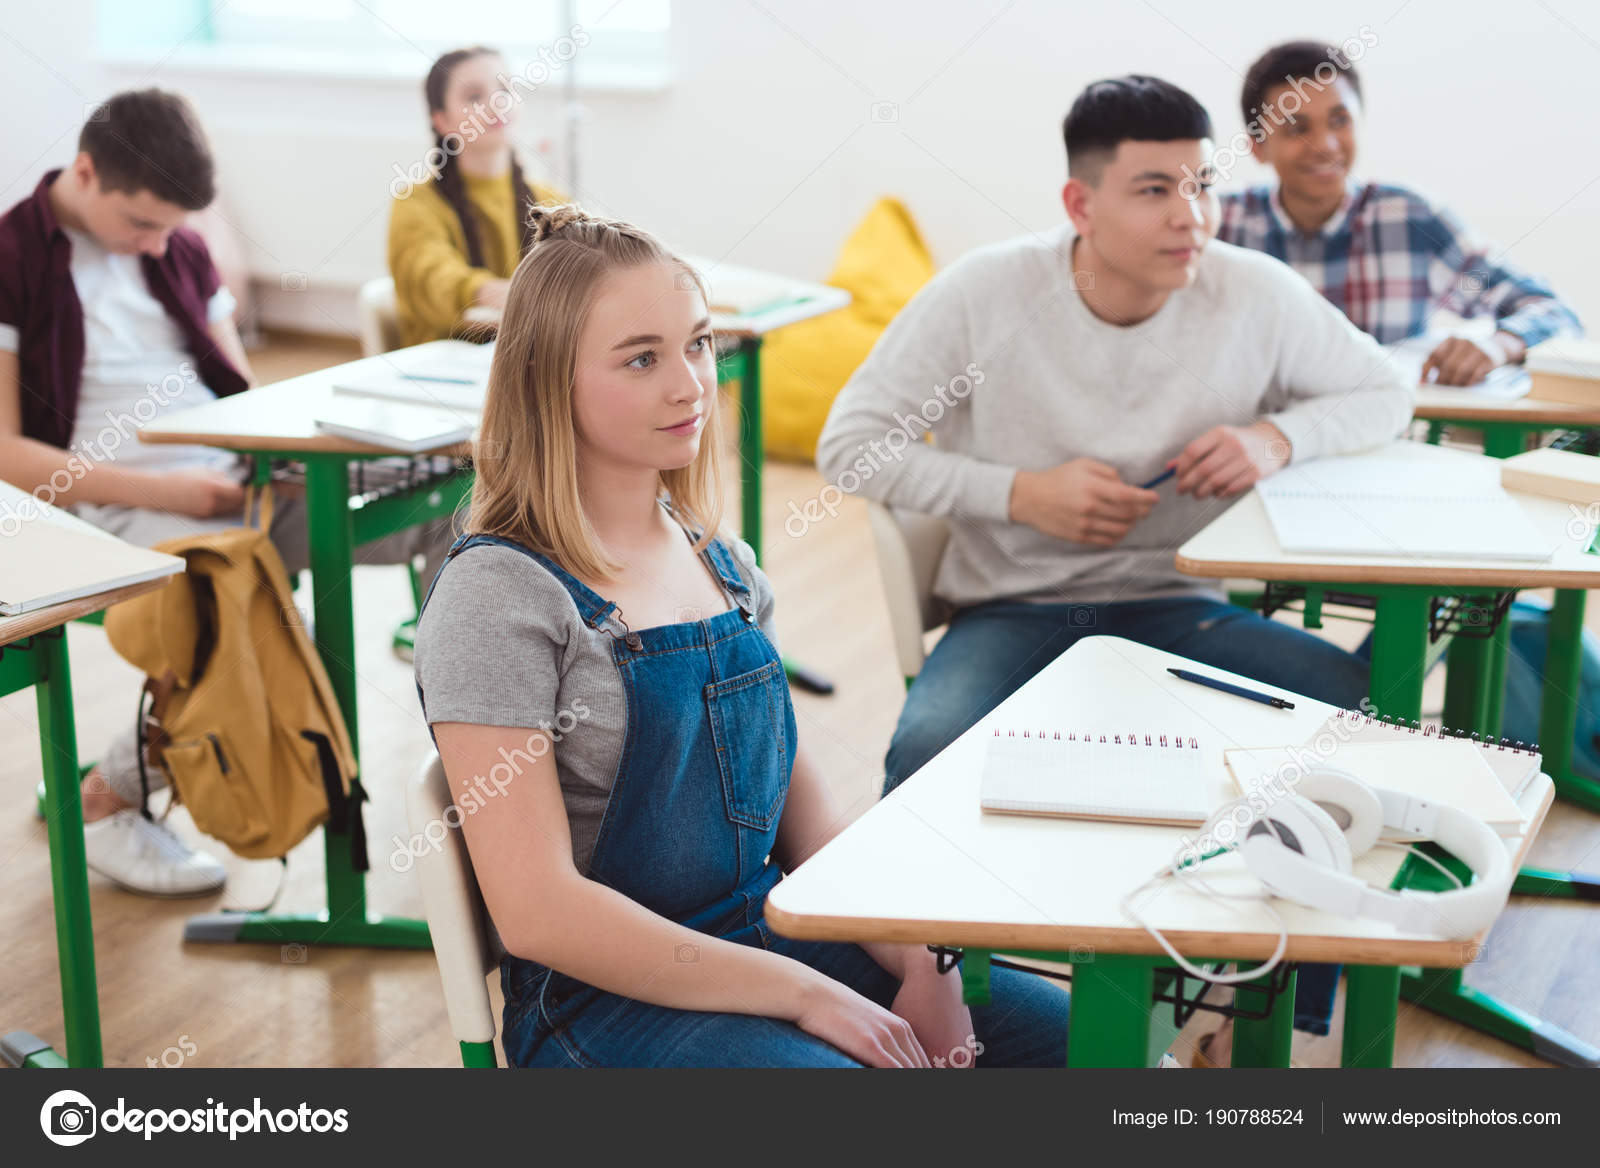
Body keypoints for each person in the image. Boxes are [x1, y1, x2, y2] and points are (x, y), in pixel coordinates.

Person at [816, 75, 1413, 1043]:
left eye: (1203, 185)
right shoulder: (986, 291)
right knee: (927, 754)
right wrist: (1019, 492)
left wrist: (1275, 438)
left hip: (1178, 605)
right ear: (1078, 204)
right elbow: (855, 445)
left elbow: (1383, 394)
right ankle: (931, 1002)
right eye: (1154, 190)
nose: (1192, 216)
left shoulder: (1249, 290)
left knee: (1362, 727)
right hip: (1013, 612)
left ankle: (1257, 1002)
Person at [413, 204, 1073, 1068]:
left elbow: (812, 829)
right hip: (604, 1006)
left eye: (695, 344)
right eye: (641, 358)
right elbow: (540, 913)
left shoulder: (720, 561)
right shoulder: (495, 597)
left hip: (772, 934)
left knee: (1075, 1046)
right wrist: (810, 996)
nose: (690, 384)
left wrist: (924, 962)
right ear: (547, 381)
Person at [0, 90, 453, 897]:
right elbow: (8, 453)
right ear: (85, 171)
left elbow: (234, 387)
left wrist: (273, 449)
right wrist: (177, 494)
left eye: (170, 226)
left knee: (457, 499)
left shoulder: (175, 249)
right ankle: (105, 801)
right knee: (254, 619)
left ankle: (482, 762)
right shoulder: (12, 257)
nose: (158, 241)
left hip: (238, 478)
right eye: (142, 223)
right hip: (119, 504)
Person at [1216, 40, 1581, 384]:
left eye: (1340, 121)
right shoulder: (1219, 223)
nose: (1326, 145)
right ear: (1258, 147)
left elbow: (1551, 311)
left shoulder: (1411, 221)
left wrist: (1497, 345)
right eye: (1297, 128)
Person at [387, 46, 563, 348]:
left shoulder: (549, 199)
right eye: (473, 97)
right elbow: (433, 280)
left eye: (505, 88)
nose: (496, 103)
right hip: (445, 370)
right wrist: (505, 296)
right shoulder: (416, 204)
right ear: (441, 121)